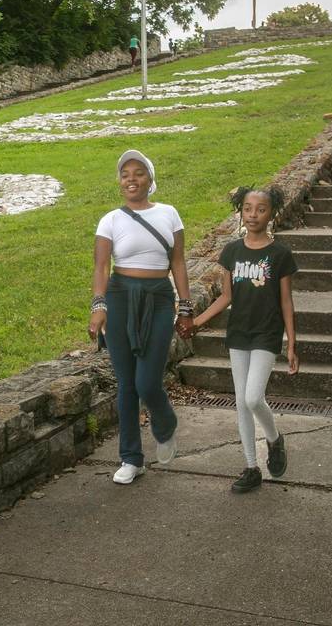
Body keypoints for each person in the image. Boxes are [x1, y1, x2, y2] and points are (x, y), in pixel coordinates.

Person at [181, 186, 299, 493]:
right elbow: (225, 298)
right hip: (239, 333)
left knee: (252, 397)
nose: (254, 214)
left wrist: (292, 342)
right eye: (248, 208)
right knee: (242, 404)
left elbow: (286, 301)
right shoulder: (232, 252)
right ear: (240, 211)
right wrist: (197, 322)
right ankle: (250, 467)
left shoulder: (280, 254)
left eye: (261, 209)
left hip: (267, 333)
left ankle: (274, 439)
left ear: (271, 212)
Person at [89, 150, 194, 485]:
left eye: (138, 173)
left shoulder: (169, 214)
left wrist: (186, 307)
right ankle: (131, 458)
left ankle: (165, 424)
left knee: (148, 381)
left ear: (150, 180)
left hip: (159, 299)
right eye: (125, 174)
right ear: (120, 182)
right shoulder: (110, 220)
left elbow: (177, 263)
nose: (131, 179)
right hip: (120, 297)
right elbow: (101, 267)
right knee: (127, 384)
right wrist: (98, 305)